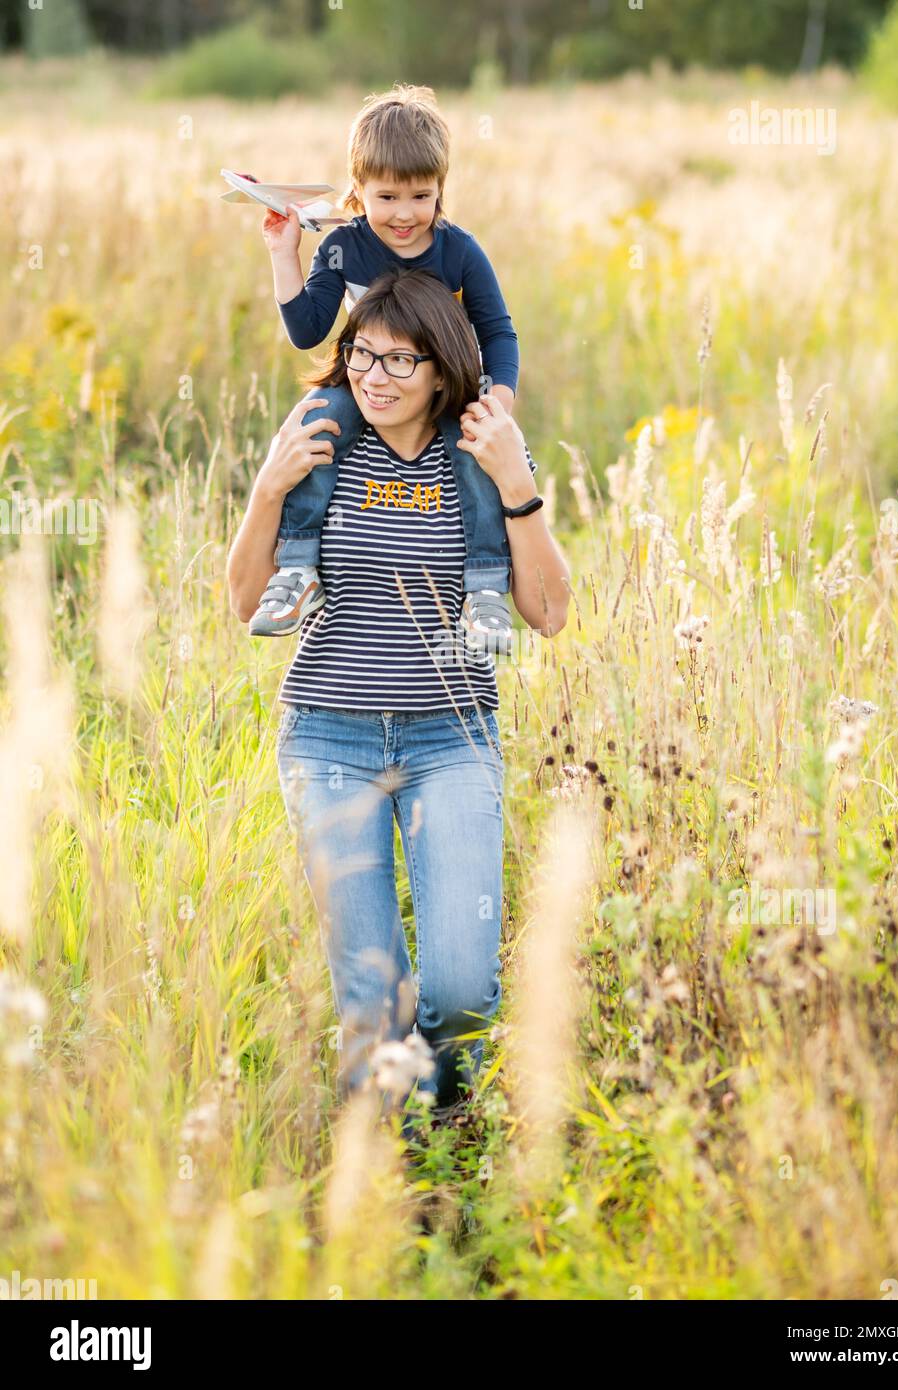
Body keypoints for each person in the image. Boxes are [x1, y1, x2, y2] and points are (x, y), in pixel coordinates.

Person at [226, 270, 570, 1117]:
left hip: (450, 739)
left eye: (399, 362)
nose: (373, 377)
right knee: (372, 1000)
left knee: (459, 989)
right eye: (360, 356)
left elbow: (550, 614)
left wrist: (518, 485)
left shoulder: (477, 454)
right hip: (329, 741)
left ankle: (449, 1134)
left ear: (443, 371)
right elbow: (244, 603)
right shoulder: (323, 444)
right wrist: (267, 488)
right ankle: (391, 1186)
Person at [251, 82, 521, 655]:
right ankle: (298, 568)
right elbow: (308, 331)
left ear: (441, 189)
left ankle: (487, 589)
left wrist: (498, 401)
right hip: (368, 379)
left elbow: (497, 331)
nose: (404, 215)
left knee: (475, 459)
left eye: (421, 196)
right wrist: (285, 255)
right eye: (387, 197)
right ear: (358, 190)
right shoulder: (343, 247)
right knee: (317, 420)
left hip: (445, 384)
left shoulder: (459, 251)